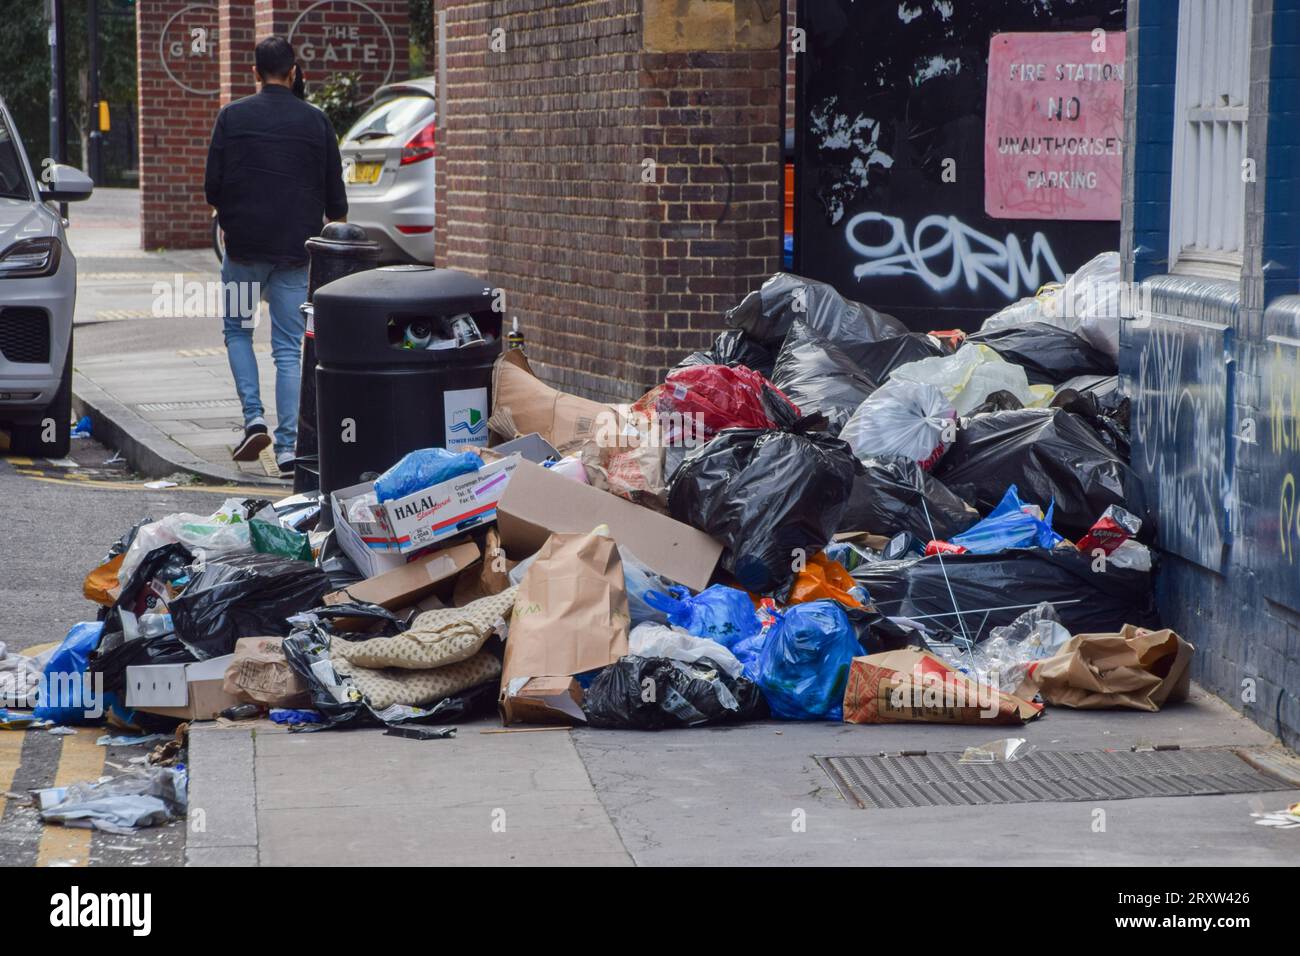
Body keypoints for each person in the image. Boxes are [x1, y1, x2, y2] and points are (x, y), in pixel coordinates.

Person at [204, 35, 347, 477]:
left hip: (243, 248)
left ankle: (254, 419)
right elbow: (336, 200)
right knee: (288, 349)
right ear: (294, 71)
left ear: (254, 73)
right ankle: (287, 450)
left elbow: (212, 187)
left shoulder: (232, 117)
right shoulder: (316, 121)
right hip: (294, 253)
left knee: (237, 331)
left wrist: (230, 214)